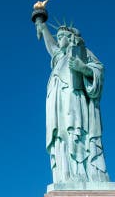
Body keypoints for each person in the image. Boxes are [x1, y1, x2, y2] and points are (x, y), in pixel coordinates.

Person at [34, 20, 110, 184]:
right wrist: (41, 25)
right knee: (61, 137)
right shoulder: (59, 57)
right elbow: (51, 46)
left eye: (61, 36)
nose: (58, 39)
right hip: (58, 102)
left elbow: (99, 69)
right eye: (58, 36)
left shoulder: (81, 52)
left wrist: (83, 68)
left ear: (71, 38)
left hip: (75, 99)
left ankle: (84, 174)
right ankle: (66, 175)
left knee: (77, 132)